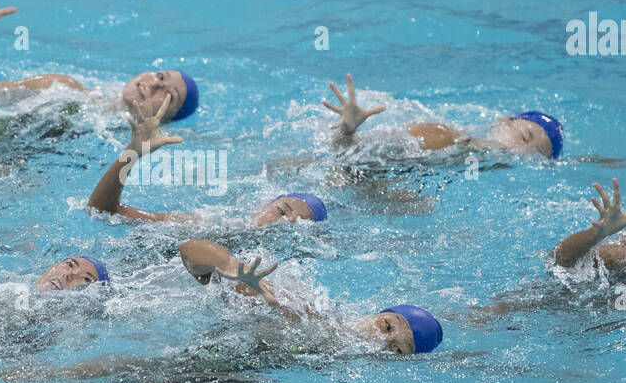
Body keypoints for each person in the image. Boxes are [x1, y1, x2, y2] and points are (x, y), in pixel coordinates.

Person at [0, 0, 199, 125]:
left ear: (165, 120)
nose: (154, 84)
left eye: (169, 94)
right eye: (159, 75)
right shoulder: (61, 89)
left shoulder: (130, 151)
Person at [87, 88, 326, 224]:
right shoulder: (205, 224)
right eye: (282, 212)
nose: (281, 224)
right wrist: (132, 153)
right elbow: (101, 211)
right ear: (264, 204)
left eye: (295, 226)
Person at [176, 239, 443, 354]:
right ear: (376, 313)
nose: (380, 341)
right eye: (386, 326)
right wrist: (229, 268)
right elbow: (190, 249)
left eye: (396, 350)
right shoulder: (307, 314)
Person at [322, 72, 563, 159]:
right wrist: (348, 131)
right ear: (502, 122)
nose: (524, 150)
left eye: (537, 153)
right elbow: (348, 157)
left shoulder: (471, 159)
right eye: (524, 136)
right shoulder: (444, 137)